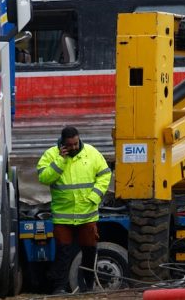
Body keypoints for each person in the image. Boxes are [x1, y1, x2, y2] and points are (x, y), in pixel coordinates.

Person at [37, 126, 111, 294]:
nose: (73, 147)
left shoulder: (92, 153)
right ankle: (60, 289)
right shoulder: (51, 155)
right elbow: (44, 177)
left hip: (87, 214)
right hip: (63, 217)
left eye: (76, 144)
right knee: (63, 253)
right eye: (69, 145)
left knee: (89, 251)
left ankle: (88, 287)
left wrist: (94, 197)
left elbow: (105, 174)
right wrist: (60, 161)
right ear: (62, 143)